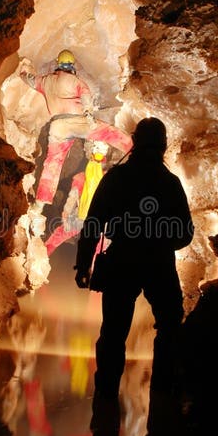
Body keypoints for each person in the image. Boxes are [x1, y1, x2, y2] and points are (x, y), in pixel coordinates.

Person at [74, 117, 194, 399]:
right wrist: (159, 240)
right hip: (159, 263)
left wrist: (83, 264)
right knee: (169, 324)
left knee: (114, 332)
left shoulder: (116, 178)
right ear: (164, 145)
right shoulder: (170, 182)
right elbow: (185, 233)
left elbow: (93, 224)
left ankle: (105, 398)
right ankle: (162, 393)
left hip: (121, 260)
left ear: (134, 141)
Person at [20, 50, 132, 216]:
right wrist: (88, 112)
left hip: (57, 126)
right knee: (107, 133)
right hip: (78, 121)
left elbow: (29, 80)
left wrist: (23, 72)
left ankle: (40, 204)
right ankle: (136, 147)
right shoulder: (74, 80)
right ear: (71, 65)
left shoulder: (46, 81)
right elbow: (85, 93)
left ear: (59, 63)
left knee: (52, 165)